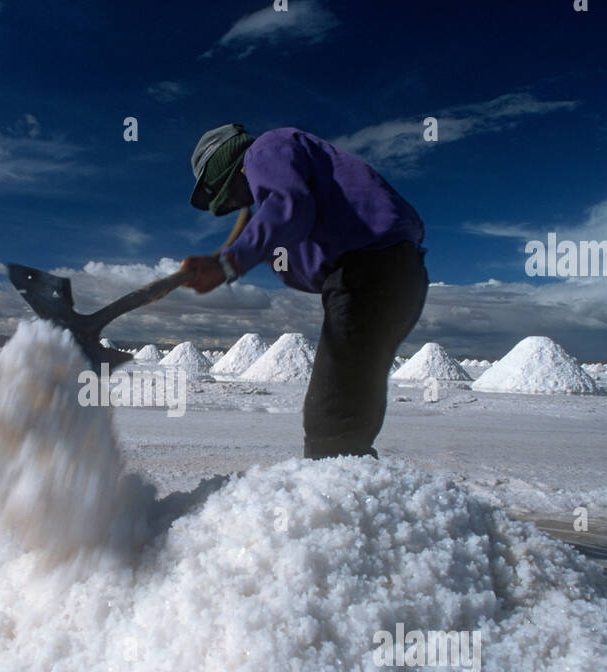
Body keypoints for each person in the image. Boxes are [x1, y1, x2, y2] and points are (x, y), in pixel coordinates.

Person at [180, 124, 430, 460]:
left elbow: (290, 207)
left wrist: (229, 263)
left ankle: (344, 507)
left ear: (231, 167)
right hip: (400, 277)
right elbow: (304, 264)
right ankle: (362, 500)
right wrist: (268, 251)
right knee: (348, 411)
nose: (237, 204)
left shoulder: (267, 148)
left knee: (332, 425)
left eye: (228, 196)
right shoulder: (290, 197)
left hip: (369, 271)